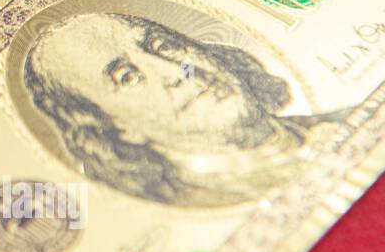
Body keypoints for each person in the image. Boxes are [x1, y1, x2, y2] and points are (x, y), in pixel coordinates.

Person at [22, 12, 347, 206]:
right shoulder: (204, 210)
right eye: (127, 76)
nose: (175, 70)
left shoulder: (352, 118)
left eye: (162, 46)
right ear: (114, 127)